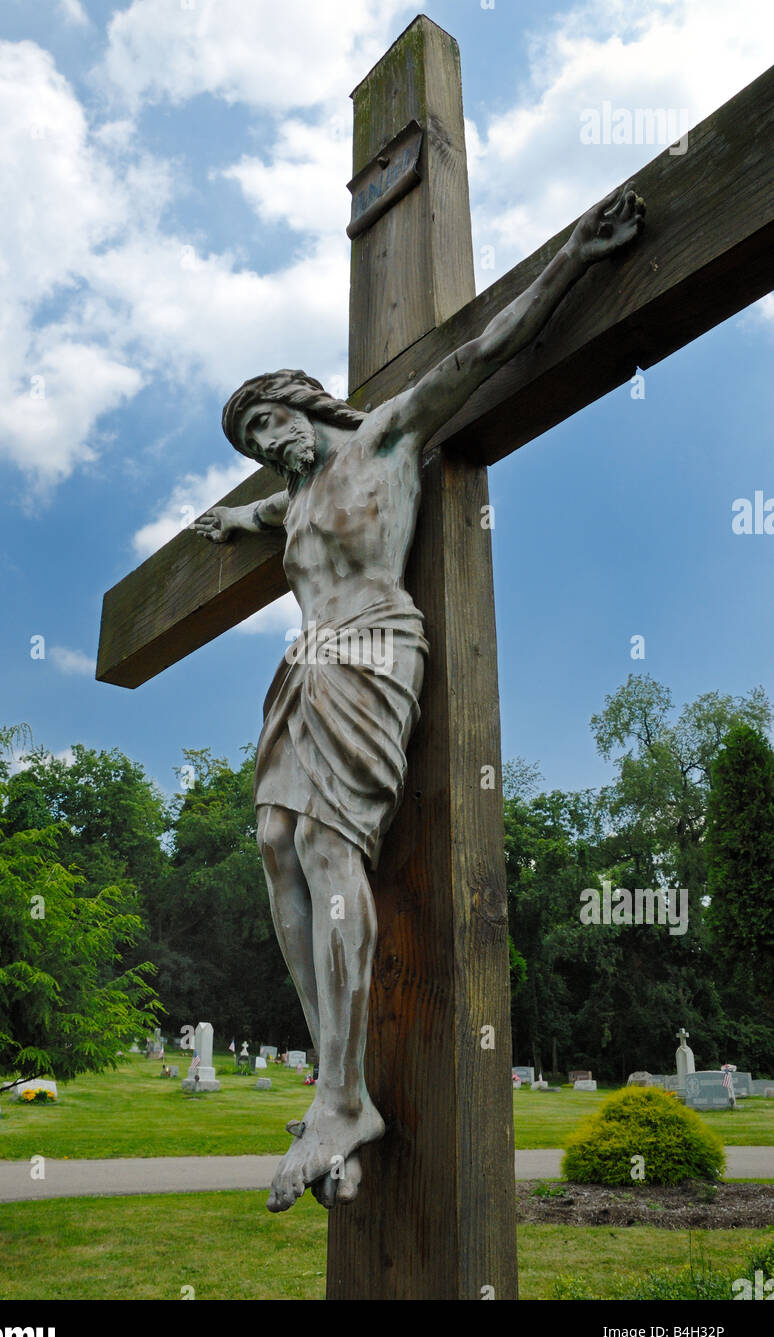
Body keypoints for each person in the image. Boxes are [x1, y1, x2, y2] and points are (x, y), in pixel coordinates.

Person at [196, 187, 645, 1212]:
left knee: (325, 850)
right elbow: (265, 513)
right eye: (253, 443)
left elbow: (483, 354)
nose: (268, 447)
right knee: (273, 841)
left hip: (372, 651)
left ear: (302, 403)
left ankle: (347, 1095)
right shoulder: (291, 500)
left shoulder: (386, 438)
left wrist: (575, 256)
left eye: (268, 423)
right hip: (305, 665)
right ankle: (332, 1078)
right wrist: (230, 528)